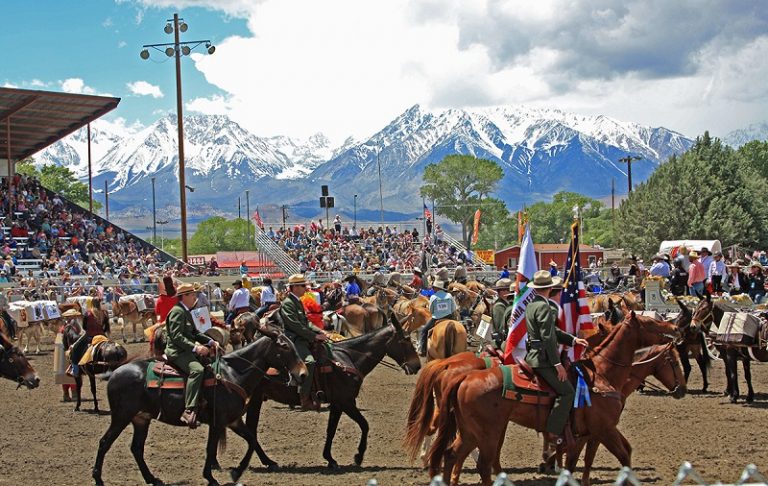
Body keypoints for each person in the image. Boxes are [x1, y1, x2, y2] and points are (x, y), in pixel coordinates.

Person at [524, 270, 588, 449]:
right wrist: (557, 364)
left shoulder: (532, 304)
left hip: (534, 355)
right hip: (543, 359)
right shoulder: (544, 306)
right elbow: (548, 338)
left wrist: (573, 340)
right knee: (567, 392)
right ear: (550, 287)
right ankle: (553, 432)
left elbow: (553, 333)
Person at [165, 283, 219, 428]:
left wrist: (210, 341)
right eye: (192, 294)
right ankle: (189, 409)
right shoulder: (178, 312)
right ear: (184, 296)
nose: (195, 297)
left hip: (185, 350)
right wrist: (195, 348)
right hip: (177, 352)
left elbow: (194, 333)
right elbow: (176, 336)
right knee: (197, 370)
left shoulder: (186, 311)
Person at [280, 274, 328, 410]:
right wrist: (314, 336)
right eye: (302, 286)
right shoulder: (288, 303)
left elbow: (306, 322)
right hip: (294, 340)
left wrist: (320, 331)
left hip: (302, 337)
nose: (306, 288)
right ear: (294, 288)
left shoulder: (298, 301)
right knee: (310, 363)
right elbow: (295, 326)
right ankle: (304, 398)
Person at [68, 299, 108, 378]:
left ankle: (75, 370)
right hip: (102, 336)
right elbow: (106, 327)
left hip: (90, 336)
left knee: (75, 348)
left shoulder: (88, 313)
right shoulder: (104, 313)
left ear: (92, 304)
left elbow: (84, 327)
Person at [418, 278, 457, 357]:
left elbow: (431, 310)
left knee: (423, 330)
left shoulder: (433, 297)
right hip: (449, 317)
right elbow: (454, 308)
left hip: (437, 318)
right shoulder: (449, 295)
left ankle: (422, 349)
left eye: (433, 287)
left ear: (436, 288)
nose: (433, 289)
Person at [491, 278, 513, 347]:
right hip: (502, 342)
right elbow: (501, 328)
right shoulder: (499, 306)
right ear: (502, 291)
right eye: (509, 290)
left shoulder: (506, 304)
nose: (511, 292)